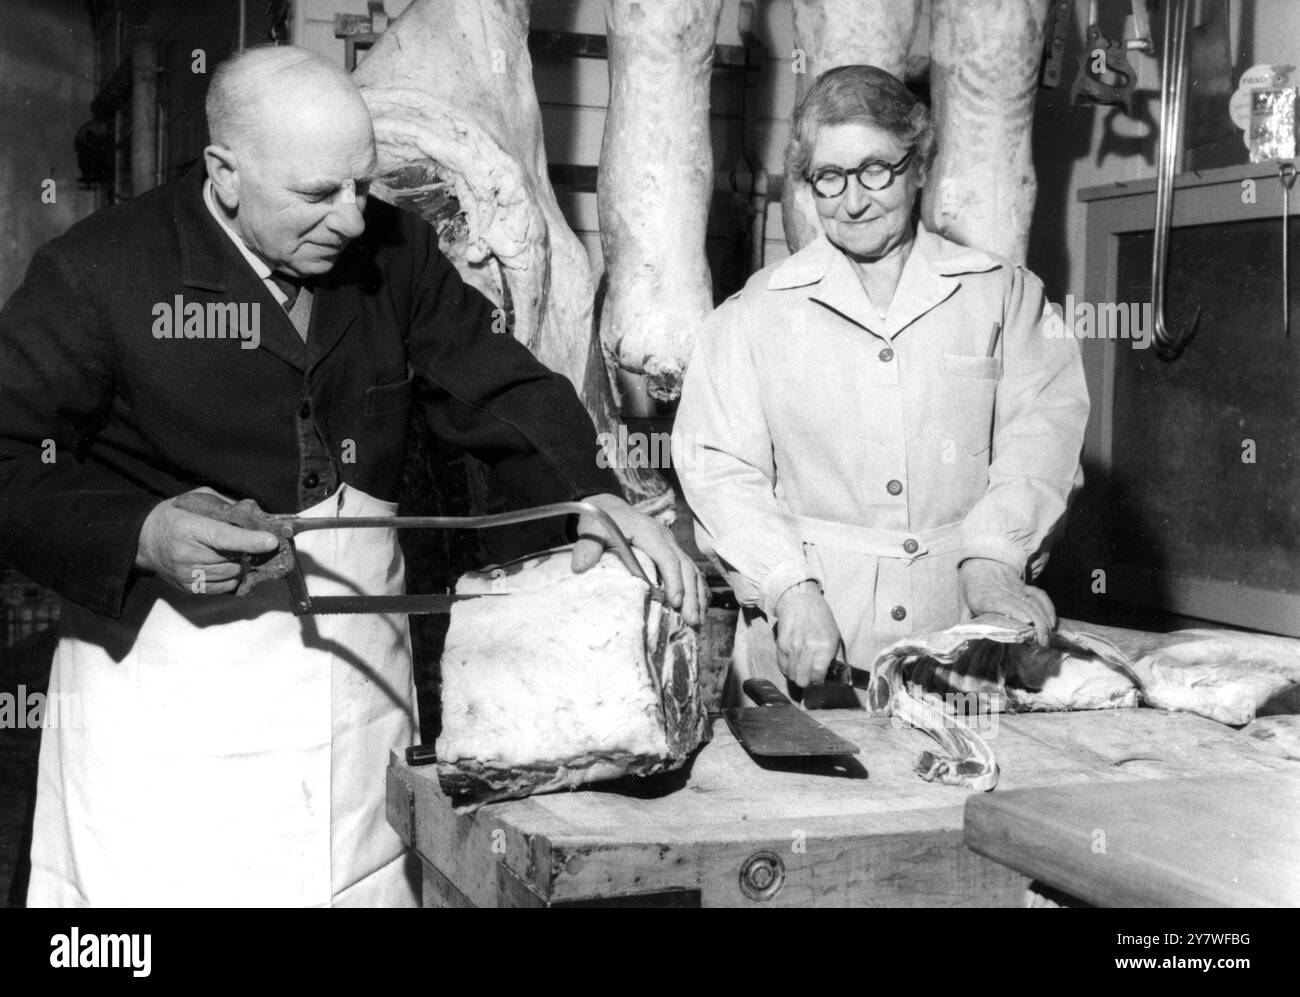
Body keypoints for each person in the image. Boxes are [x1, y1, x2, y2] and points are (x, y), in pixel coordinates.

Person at [0, 45, 704, 908]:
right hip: (172, 701)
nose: (350, 217)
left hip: (355, 697)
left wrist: (588, 490)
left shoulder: (391, 249)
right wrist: (140, 531)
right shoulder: (98, 273)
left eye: (361, 186)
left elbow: (492, 378)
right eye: (316, 194)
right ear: (225, 173)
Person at [672, 65, 1088, 705]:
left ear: (919, 164)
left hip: (962, 634)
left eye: (876, 170)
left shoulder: (1004, 296)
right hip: (809, 645)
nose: (853, 201)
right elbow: (721, 472)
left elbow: (1042, 438)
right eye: (829, 178)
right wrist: (789, 587)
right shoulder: (751, 316)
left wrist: (994, 560)